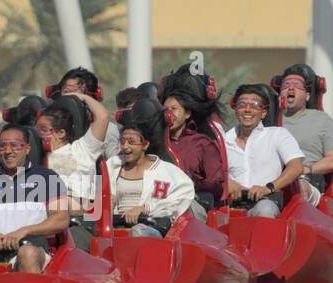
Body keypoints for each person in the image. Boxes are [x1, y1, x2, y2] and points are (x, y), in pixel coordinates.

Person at [0, 124, 70, 273]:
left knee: (27, 254)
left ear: (27, 149)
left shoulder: (47, 177)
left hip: (33, 248)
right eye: (2, 146)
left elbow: (61, 218)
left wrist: (23, 231)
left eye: (15, 145)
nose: (8, 151)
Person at [106, 111, 195, 238]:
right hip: (114, 229)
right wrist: (105, 202)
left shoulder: (166, 171)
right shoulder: (111, 165)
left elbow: (183, 196)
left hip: (149, 229)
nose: (125, 146)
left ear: (145, 144)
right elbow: (93, 204)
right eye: (122, 141)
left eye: (131, 141)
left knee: (138, 233)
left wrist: (145, 209)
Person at [223, 83, 305, 218]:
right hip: (231, 205)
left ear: (264, 113)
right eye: (242, 105)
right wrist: (227, 181)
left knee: (264, 210)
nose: (247, 110)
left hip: (266, 201)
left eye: (254, 105)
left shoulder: (278, 134)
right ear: (235, 109)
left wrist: (268, 188)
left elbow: (296, 167)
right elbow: (212, 172)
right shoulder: (224, 140)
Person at [36, 90, 110, 210]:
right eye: (37, 129)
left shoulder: (81, 149)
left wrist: (82, 97)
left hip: (76, 216)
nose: (39, 134)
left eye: (43, 129)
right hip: (42, 213)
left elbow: (103, 117)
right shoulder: (34, 153)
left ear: (60, 133)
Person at [278, 64, 333, 199]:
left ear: (307, 96)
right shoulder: (268, 120)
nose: (291, 87)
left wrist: (306, 170)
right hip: (273, 179)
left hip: (307, 179)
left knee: (297, 187)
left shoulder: (321, 120)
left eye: (297, 85)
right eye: (286, 84)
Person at [162, 89, 225, 221]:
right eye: (165, 110)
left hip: (192, 203)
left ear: (187, 113)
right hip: (161, 202)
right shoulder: (157, 143)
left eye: (174, 109)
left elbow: (217, 184)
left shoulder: (202, 143)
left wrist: (189, 185)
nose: (169, 114)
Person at [58, 68, 121, 158]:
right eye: (66, 92)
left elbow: (112, 162)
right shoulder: (52, 125)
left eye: (76, 94)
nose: (69, 98)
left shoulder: (107, 129)